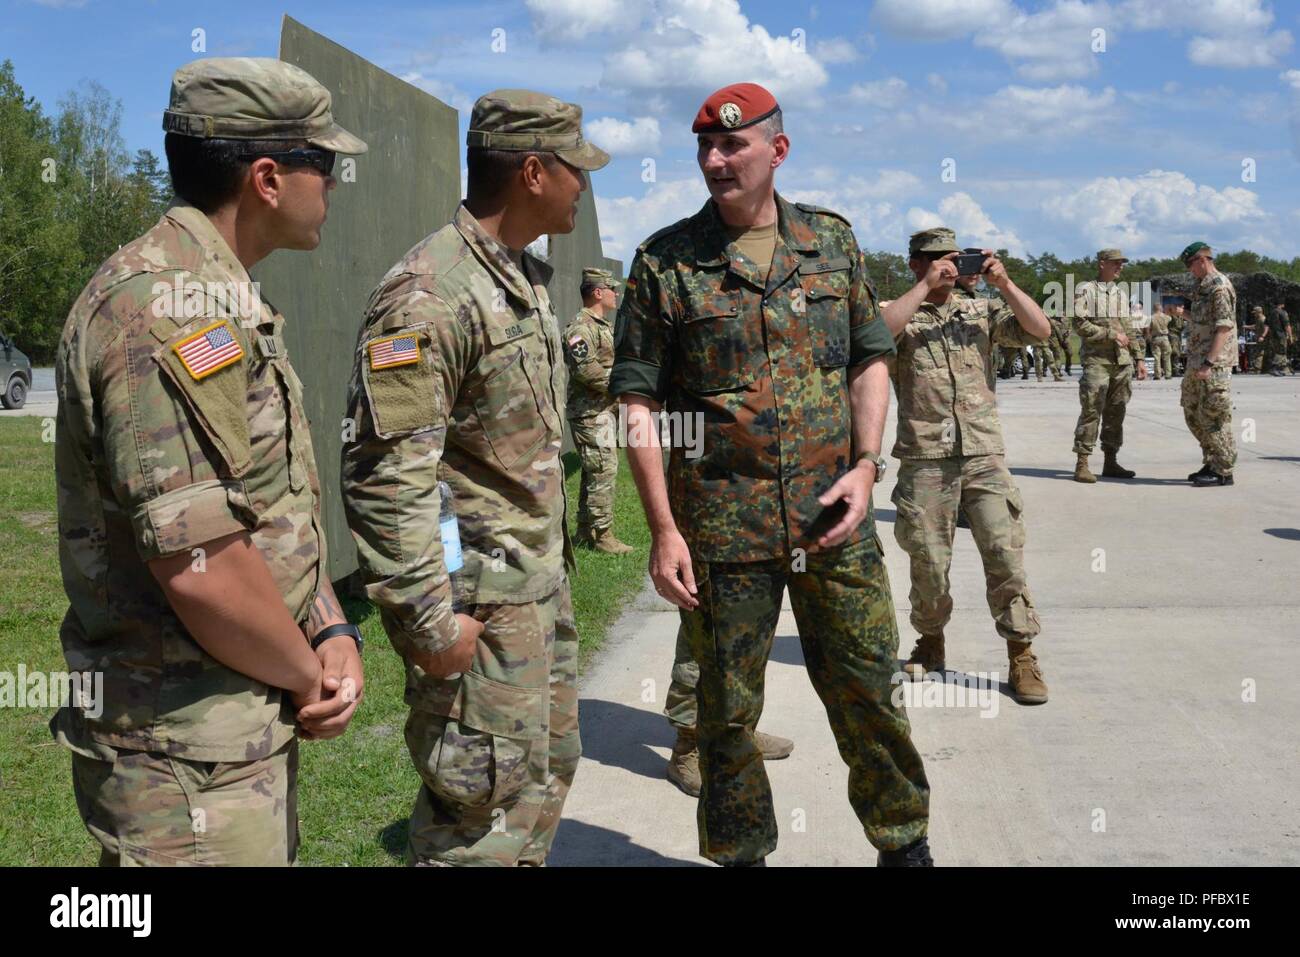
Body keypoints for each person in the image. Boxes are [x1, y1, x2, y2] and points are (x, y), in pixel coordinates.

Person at [51, 57, 368, 866]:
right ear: (267, 177)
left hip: (224, 741)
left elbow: (264, 511)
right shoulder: (162, 309)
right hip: (182, 767)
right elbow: (201, 565)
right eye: (323, 164)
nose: (333, 185)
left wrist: (329, 623)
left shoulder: (219, 297)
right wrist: (308, 675)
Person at [610, 82, 931, 867]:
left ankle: (905, 846)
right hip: (722, 529)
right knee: (725, 715)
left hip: (833, 520)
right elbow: (637, 399)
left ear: (776, 151)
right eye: (705, 148)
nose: (714, 160)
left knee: (870, 692)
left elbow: (869, 356)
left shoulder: (832, 243)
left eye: (732, 145)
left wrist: (864, 466)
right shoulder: (665, 262)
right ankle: (742, 855)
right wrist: (661, 528)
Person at [341, 89, 607, 865]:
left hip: (533, 594)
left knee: (543, 780)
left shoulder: (518, 278)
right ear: (532, 171)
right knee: (476, 819)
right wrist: (431, 625)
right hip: (478, 614)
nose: (581, 185)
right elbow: (387, 476)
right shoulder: (431, 294)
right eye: (574, 170)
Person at [880, 228, 1050, 705]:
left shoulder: (982, 309)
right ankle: (930, 640)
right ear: (915, 263)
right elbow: (874, 337)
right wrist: (923, 287)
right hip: (926, 458)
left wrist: (1005, 284)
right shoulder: (899, 312)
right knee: (929, 562)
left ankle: (1021, 653)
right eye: (935, 260)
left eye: (954, 259)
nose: (948, 267)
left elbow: (1041, 330)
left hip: (983, 455)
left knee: (1004, 555)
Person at [565, 267, 633, 554]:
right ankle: (603, 535)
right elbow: (586, 370)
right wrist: (621, 387)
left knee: (595, 472)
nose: (616, 293)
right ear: (597, 292)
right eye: (612, 289)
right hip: (589, 412)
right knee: (604, 469)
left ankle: (584, 531)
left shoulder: (601, 324)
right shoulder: (581, 328)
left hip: (601, 410)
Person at [1070, 248, 1146, 484]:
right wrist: (1110, 334)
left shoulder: (1121, 294)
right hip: (1097, 362)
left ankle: (1110, 461)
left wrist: (1139, 358)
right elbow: (1079, 324)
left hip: (1122, 363)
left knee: (1117, 412)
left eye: (1122, 263)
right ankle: (1082, 463)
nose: (1120, 267)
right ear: (1102, 264)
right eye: (1116, 263)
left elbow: (1130, 328)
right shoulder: (1086, 290)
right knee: (1092, 410)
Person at [1180, 242, 1238, 487]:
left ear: (1202, 260)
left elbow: (1223, 327)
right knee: (1192, 411)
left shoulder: (1219, 287)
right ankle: (1211, 460)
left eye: (1190, 264)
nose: (1189, 270)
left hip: (1213, 364)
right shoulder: (1201, 286)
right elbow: (1204, 321)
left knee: (1213, 416)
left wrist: (1208, 363)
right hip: (1197, 361)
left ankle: (1223, 470)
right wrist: (1183, 314)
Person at [1263, 301, 1290, 376]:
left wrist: (1263, 335)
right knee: (1281, 351)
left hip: (1273, 336)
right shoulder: (1282, 312)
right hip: (1281, 335)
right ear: (1282, 304)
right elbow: (1287, 325)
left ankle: (1284, 369)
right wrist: (1290, 336)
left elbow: (1266, 325)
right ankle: (1273, 368)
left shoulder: (1270, 313)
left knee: (1277, 351)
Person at [1147, 304, 1173, 379]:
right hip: (1165, 338)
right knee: (1167, 356)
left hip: (1155, 338)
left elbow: (1148, 328)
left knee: (1156, 357)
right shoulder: (1166, 317)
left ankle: (1157, 375)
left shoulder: (1151, 317)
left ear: (1153, 309)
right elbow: (1170, 318)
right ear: (1161, 308)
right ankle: (1168, 374)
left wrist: (1149, 337)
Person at [1167, 302, 1186, 375]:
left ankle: (1175, 369)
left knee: (1178, 352)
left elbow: (1182, 326)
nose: (1182, 308)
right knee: (1175, 352)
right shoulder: (1172, 315)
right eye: (1181, 307)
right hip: (1172, 335)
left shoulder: (1181, 316)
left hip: (1178, 335)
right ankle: (1175, 370)